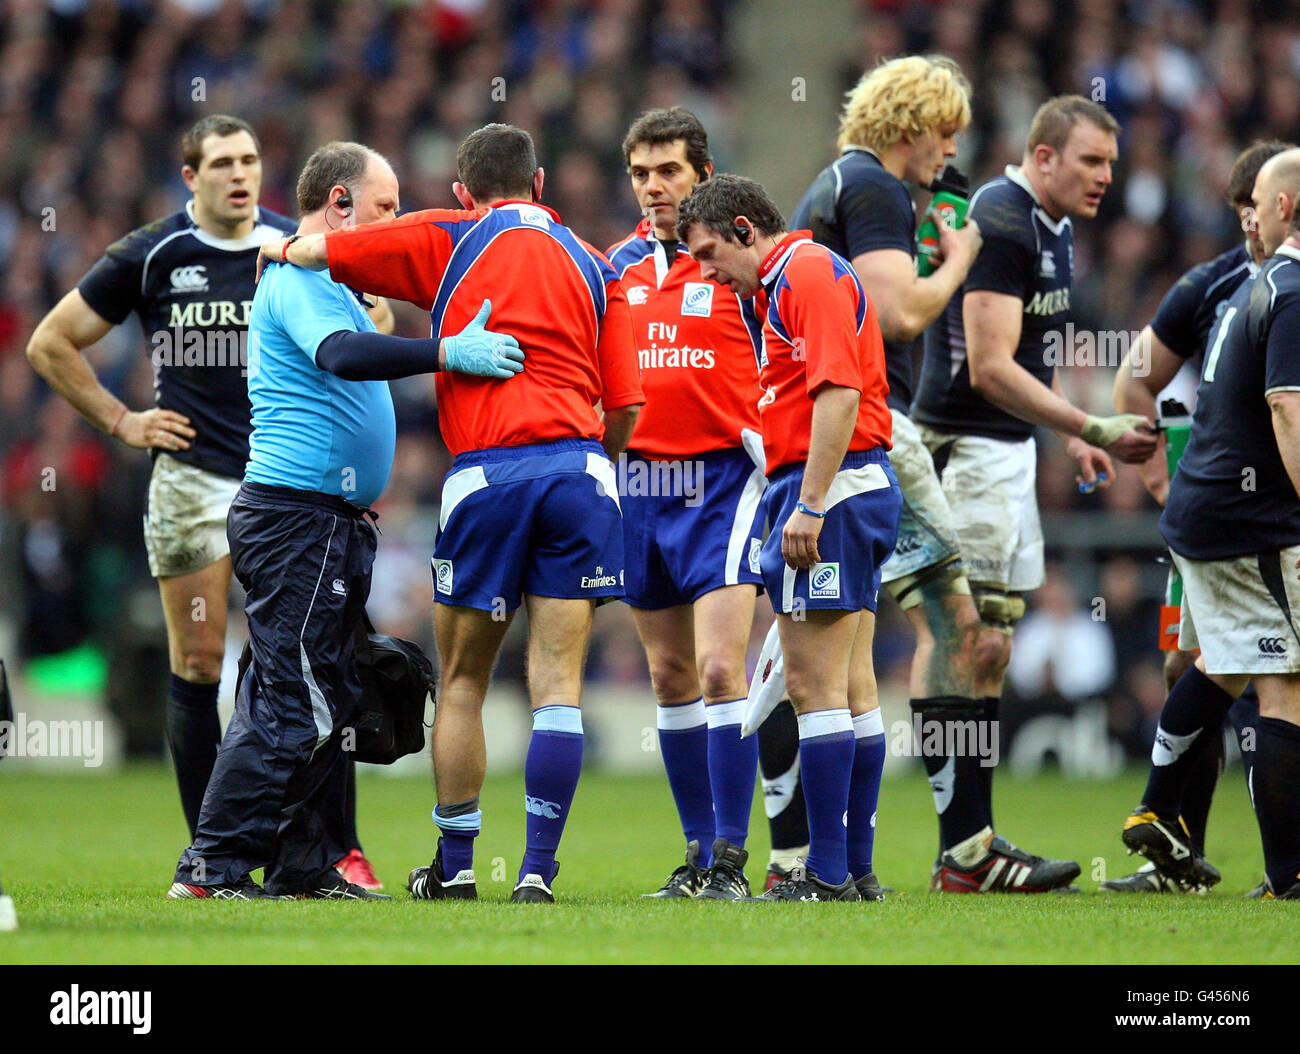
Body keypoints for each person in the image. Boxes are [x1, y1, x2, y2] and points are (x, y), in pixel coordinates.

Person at [269, 124, 643, 904]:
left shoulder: (451, 233)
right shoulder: (598, 264)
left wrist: (274, 252)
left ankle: (458, 867)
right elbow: (627, 404)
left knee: (465, 680)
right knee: (558, 683)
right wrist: (587, 456)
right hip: (579, 470)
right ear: (539, 185)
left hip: (488, 475)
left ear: (466, 193)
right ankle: (538, 872)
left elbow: (316, 251)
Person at [169, 141, 522, 900]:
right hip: (298, 518)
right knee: (299, 700)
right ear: (339, 205)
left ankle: (307, 861)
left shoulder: (326, 278)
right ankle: (211, 867)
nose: (391, 222)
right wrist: (446, 352)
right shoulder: (300, 278)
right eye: (385, 206)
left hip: (326, 520)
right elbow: (343, 357)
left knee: (318, 690)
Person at [789, 53, 1077, 894]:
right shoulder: (873, 186)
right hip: (870, 428)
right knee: (953, 632)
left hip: (837, 432)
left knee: (834, 652)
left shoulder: (836, 185)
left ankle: (815, 856)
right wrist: (958, 258)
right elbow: (896, 313)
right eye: (944, 134)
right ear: (910, 124)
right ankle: (963, 851)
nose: (949, 155)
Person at [909, 95, 1156, 891]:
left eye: (1111, 164)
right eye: (1092, 161)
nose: (1105, 178)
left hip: (1009, 452)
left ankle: (974, 845)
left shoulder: (1054, 228)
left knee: (994, 649)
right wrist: (1093, 420)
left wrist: (1067, 434)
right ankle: (965, 852)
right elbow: (987, 365)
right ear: (1043, 156)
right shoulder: (1002, 218)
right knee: (963, 642)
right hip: (965, 449)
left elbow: (1031, 352)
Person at [678, 173, 902, 902]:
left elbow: (839, 393)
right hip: (847, 488)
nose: (707, 273)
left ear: (746, 229)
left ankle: (828, 874)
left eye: (711, 253)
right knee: (852, 685)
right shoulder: (789, 282)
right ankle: (857, 869)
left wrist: (807, 505)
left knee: (810, 686)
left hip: (831, 493)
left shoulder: (802, 273)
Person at [1105, 139, 1292, 894]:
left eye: (1259, 206)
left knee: (1240, 669)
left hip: (1230, 518)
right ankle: (1192, 849)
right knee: (1215, 666)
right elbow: (1132, 381)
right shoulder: (1217, 286)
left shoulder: (1278, 285)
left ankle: (1186, 831)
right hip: (1235, 520)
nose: (1251, 221)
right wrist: (1158, 480)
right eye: (1241, 209)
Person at [605, 107, 765, 900]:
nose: (653, 187)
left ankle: (733, 859)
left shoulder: (734, 261)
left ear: (700, 172)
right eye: (640, 173)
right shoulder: (615, 269)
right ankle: (697, 856)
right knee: (668, 676)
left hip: (722, 484)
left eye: (668, 171)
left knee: (716, 665)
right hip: (640, 486)